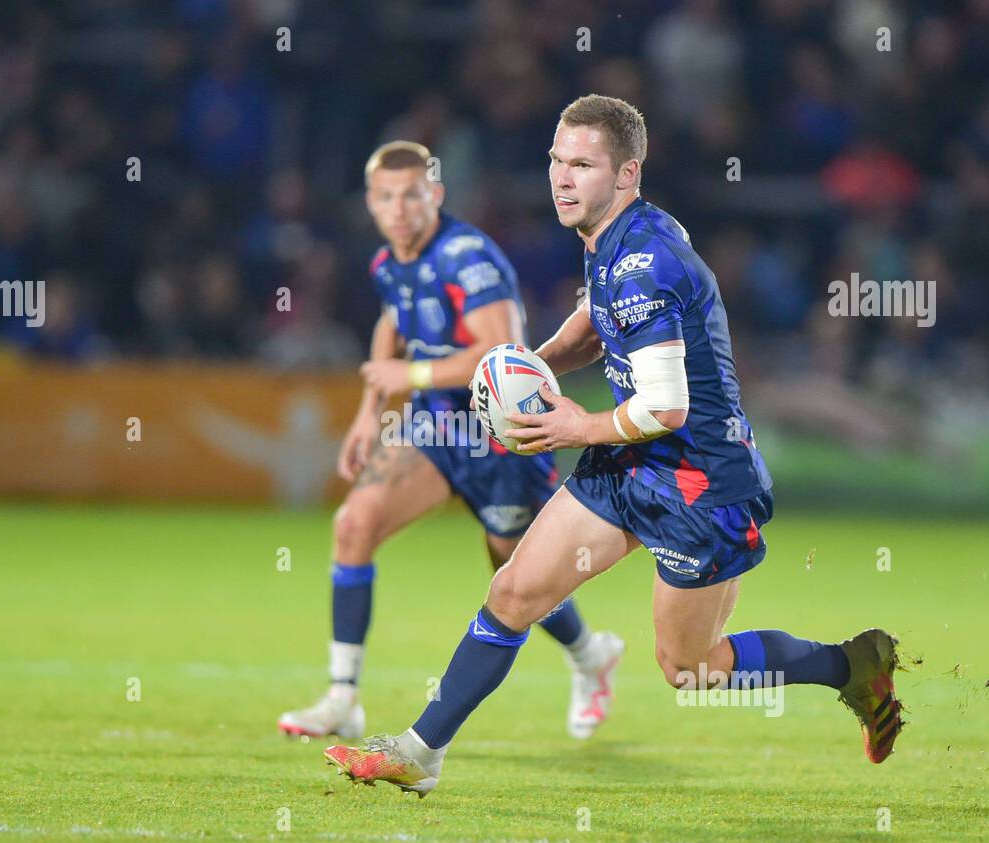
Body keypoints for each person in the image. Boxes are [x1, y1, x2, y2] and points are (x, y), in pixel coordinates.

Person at [324, 99, 902, 797]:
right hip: (629, 461)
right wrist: (523, 378)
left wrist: (575, 426)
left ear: (628, 173)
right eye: (556, 162)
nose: (561, 180)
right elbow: (592, 325)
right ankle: (422, 751)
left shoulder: (644, 265)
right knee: (513, 590)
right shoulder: (614, 237)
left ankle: (852, 665)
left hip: (699, 483)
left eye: (582, 165)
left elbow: (665, 405)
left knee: (690, 667)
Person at [278, 141, 622, 742]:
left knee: (514, 574)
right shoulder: (389, 262)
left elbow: (502, 355)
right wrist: (368, 412)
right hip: (436, 426)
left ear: (435, 194)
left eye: (412, 194)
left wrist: (407, 377)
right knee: (353, 525)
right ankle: (342, 698)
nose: (400, 208)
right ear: (371, 203)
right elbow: (393, 322)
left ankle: (590, 655)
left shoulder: (466, 258)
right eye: (386, 197)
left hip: (499, 436)